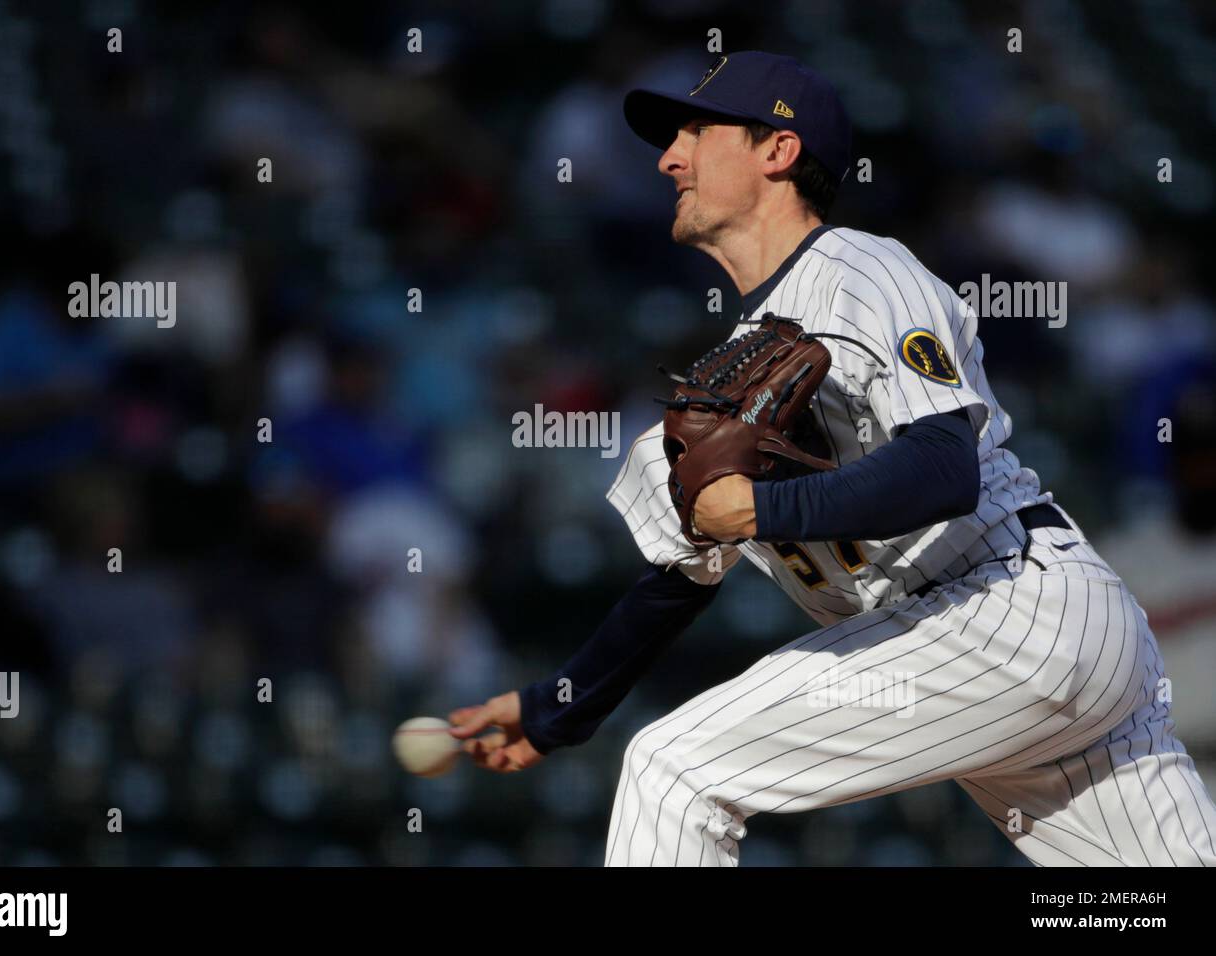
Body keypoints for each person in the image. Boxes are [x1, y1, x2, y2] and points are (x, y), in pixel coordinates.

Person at [448, 52, 1216, 866]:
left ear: (777, 151)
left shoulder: (863, 269)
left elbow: (943, 467)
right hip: (996, 649)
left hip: (1005, 606)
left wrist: (764, 509)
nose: (670, 157)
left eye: (696, 133)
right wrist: (556, 709)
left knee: (675, 771)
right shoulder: (720, 389)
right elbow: (677, 582)